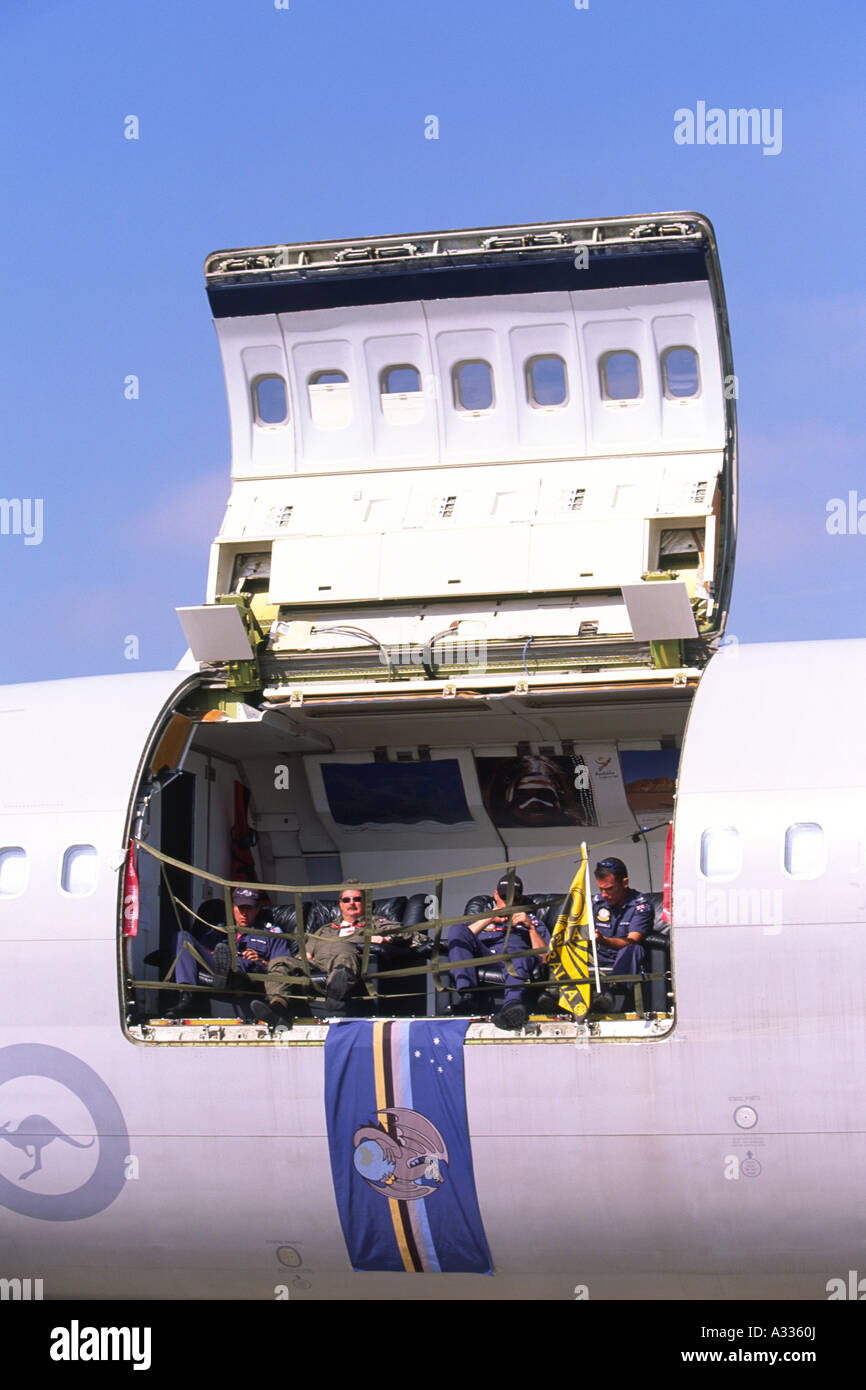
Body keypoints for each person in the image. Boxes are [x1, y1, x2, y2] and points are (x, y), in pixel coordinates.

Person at [167, 887, 301, 1027]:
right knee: (182, 937)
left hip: (250, 970)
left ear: (258, 908)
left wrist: (262, 961)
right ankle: (185, 996)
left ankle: (228, 974)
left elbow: (283, 964)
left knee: (242, 963)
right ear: (232, 907)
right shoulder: (218, 929)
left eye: (249, 908)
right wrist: (214, 953)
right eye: (240, 907)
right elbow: (202, 950)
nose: (244, 913)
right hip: (215, 965)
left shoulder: (271, 933)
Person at [447, 875, 550, 1031]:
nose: (508, 903)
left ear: (521, 899)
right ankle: (468, 996)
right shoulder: (484, 917)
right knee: (455, 929)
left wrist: (530, 928)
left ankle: (512, 1009)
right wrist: (488, 919)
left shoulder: (532, 920)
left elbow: (545, 957)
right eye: (503, 898)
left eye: (513, 899)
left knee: (518, 955)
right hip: (486, 955)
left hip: (514, 957)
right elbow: (463, 937)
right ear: (495, 895)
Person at [304, 881, 402, 1013]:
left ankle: (334, 996)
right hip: (316, 964)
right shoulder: (325, 929)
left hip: (343, 962)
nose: (351, 903)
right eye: (346, 900)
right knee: (280, 962)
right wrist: (304, 956)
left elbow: (402, 931)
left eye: (356, 899)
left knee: (344, 959)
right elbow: (306, 951)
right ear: (340, 904)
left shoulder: (374, 922)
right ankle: (277, 1006)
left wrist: (386, 938)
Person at [590, 857, 653, 1011]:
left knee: (633, 948)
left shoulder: (641, 905)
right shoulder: (596, 903)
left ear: (624, 883)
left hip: (624, 958)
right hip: (595, 957)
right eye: (601, 889)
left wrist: (603, 940)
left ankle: (612, 991)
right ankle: (554, 993)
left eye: (609, 889)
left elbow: (631, 941)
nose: (604, 894)